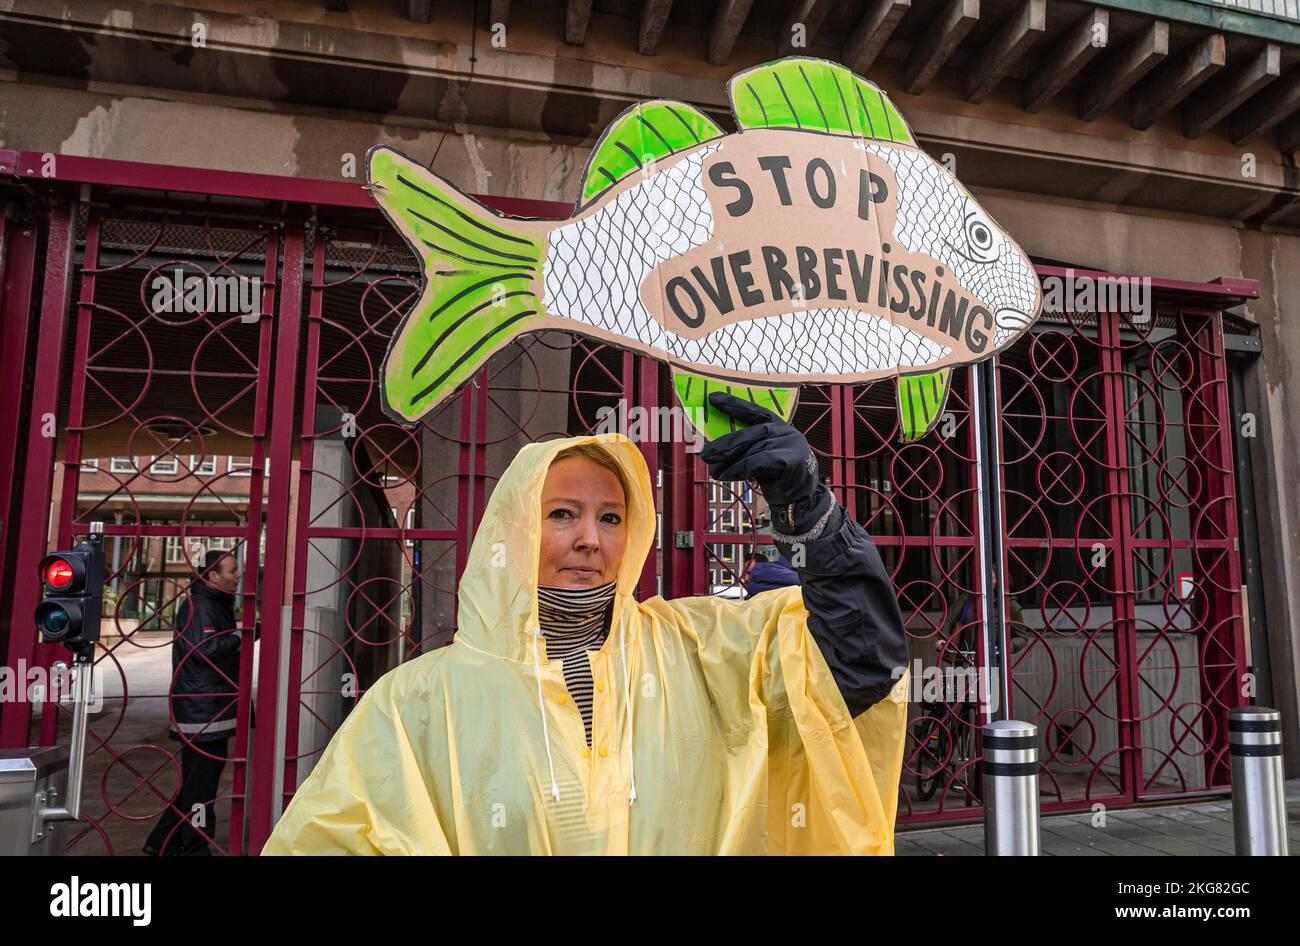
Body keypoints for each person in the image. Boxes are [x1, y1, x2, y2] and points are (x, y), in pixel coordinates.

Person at [263, 393, 910, 855]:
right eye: (562, 513)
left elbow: (856, 666)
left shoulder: (702, 652)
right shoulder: (417, 705)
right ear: (515, 528)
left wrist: (812, 517)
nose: (588, 540)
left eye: (610, 518)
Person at [144, 549, 243, 856]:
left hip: (209, 707)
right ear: (213, 576)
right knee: (201, 786)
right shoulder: (201, 606)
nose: (238, 575)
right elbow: (205, 648)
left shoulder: (212, 603)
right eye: (231, 570)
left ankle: (161, 842)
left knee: (196, 782)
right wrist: (242, 636)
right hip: (202, 709)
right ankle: (195, 847)